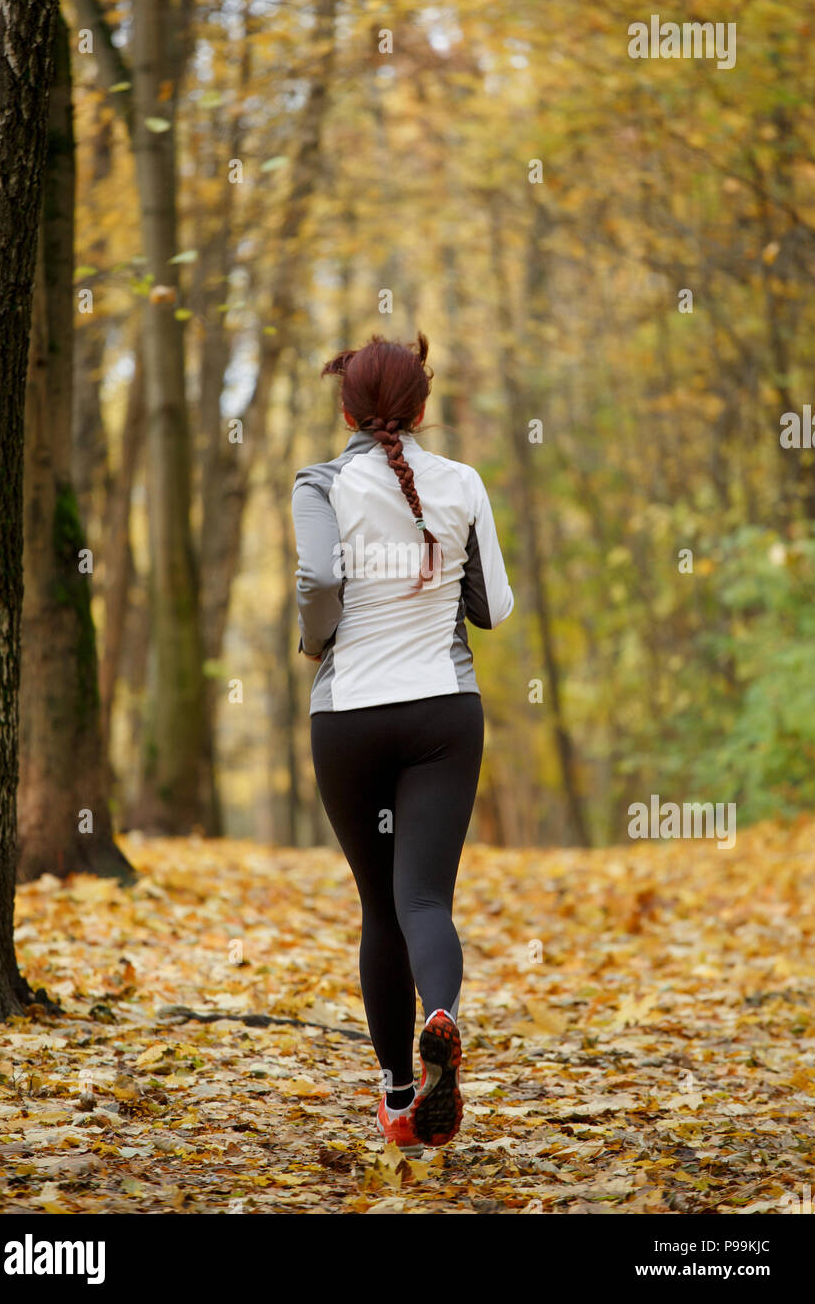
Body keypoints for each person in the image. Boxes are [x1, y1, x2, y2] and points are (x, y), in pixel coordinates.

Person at [291, 332, 513, 1150]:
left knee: (378, 907)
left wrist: (319, 643)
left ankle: (394, 1098)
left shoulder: (320, 484)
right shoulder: (463, 483)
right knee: (425, 898)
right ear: (423, 408)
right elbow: (493, 609)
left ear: (345, 410)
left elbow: (316, 583)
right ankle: (443, 1016)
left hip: (348, 718)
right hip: (442, 716)